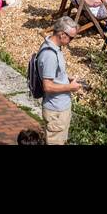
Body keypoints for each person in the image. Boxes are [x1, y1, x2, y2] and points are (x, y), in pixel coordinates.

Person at [35, 16, 83, 146]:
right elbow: (48, 86)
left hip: (58, 107)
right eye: (71, 38)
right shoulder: (50, 55)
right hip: (56, 109)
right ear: (62, 34)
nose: (71, 41)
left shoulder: (52, 46)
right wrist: (70, 87)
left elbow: (53, 75)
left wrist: (66, 78)